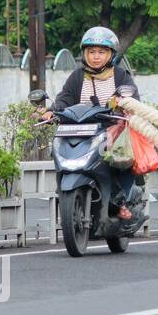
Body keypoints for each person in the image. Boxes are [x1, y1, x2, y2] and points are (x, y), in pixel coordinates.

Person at [47, 26, 146, 229]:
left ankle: (121, 200)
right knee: (57, 149)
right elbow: (63, 99)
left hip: (110, 131)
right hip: (80, 132)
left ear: (110, 54)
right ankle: (68, 197)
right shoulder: (77, 77)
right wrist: (51, 111)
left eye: (101, 52)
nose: (96, 57)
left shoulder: (120, 76)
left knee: (122, 156)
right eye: (91, 52)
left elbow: (132, 99)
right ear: (84, 54)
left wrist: (124, 104)